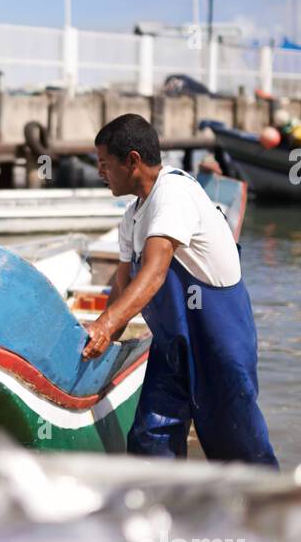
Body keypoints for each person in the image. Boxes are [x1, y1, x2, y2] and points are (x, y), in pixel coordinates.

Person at [82, 114, 278, 466]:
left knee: (238, 450)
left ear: (132, 161)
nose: (100, 172)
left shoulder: (173, 193)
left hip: (218, 342)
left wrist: (108, 324)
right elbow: (123, 284)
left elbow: (156, 271)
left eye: (104, 163)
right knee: (149, 440)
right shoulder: (132, 216)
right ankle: (159, 514)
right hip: (171, 346)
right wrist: (99, 336)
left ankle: (271, 516)